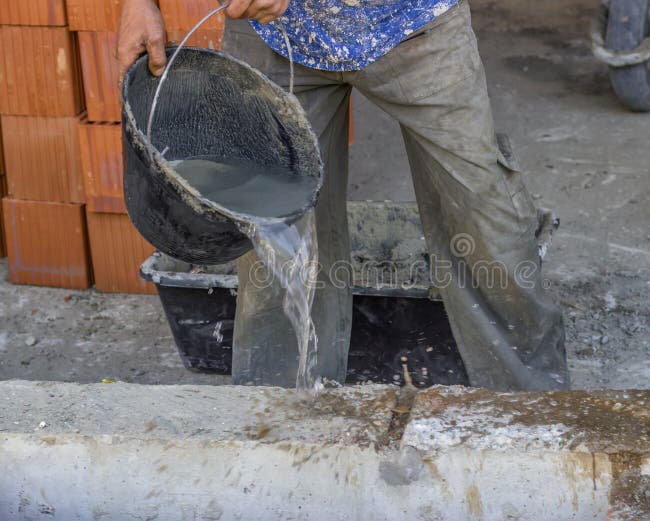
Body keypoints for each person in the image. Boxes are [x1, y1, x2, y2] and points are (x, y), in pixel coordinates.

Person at [117, 0, 569, 391]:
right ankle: (285, 437)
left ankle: (535, 422)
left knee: (486, 227)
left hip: (415, 24)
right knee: (274, 249)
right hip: (275, 33)